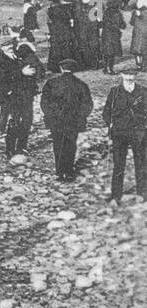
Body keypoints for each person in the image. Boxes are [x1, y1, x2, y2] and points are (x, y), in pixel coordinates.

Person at [40, 58, 93, 182]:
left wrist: (50, 115)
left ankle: (59, 171)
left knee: (57, 144)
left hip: (56, 120)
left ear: (61, 68)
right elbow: (88, 104)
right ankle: (68, 171)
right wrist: (81, 117)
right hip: (73, 121)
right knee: (71, 145)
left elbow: (44, 103)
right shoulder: (81, 85)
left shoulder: (51, 83)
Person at [103, 69, 147, 206]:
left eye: (132, 74)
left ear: (135, 76)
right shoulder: (114, 91)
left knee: (141, 163)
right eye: (126, 74)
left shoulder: (143, 91)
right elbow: (106, 111)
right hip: (119, 132)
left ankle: (143, 194)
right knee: (118, 164)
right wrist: (110, 124)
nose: (129, 77)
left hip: (138, 132)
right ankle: (116, 195)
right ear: (122, 76)